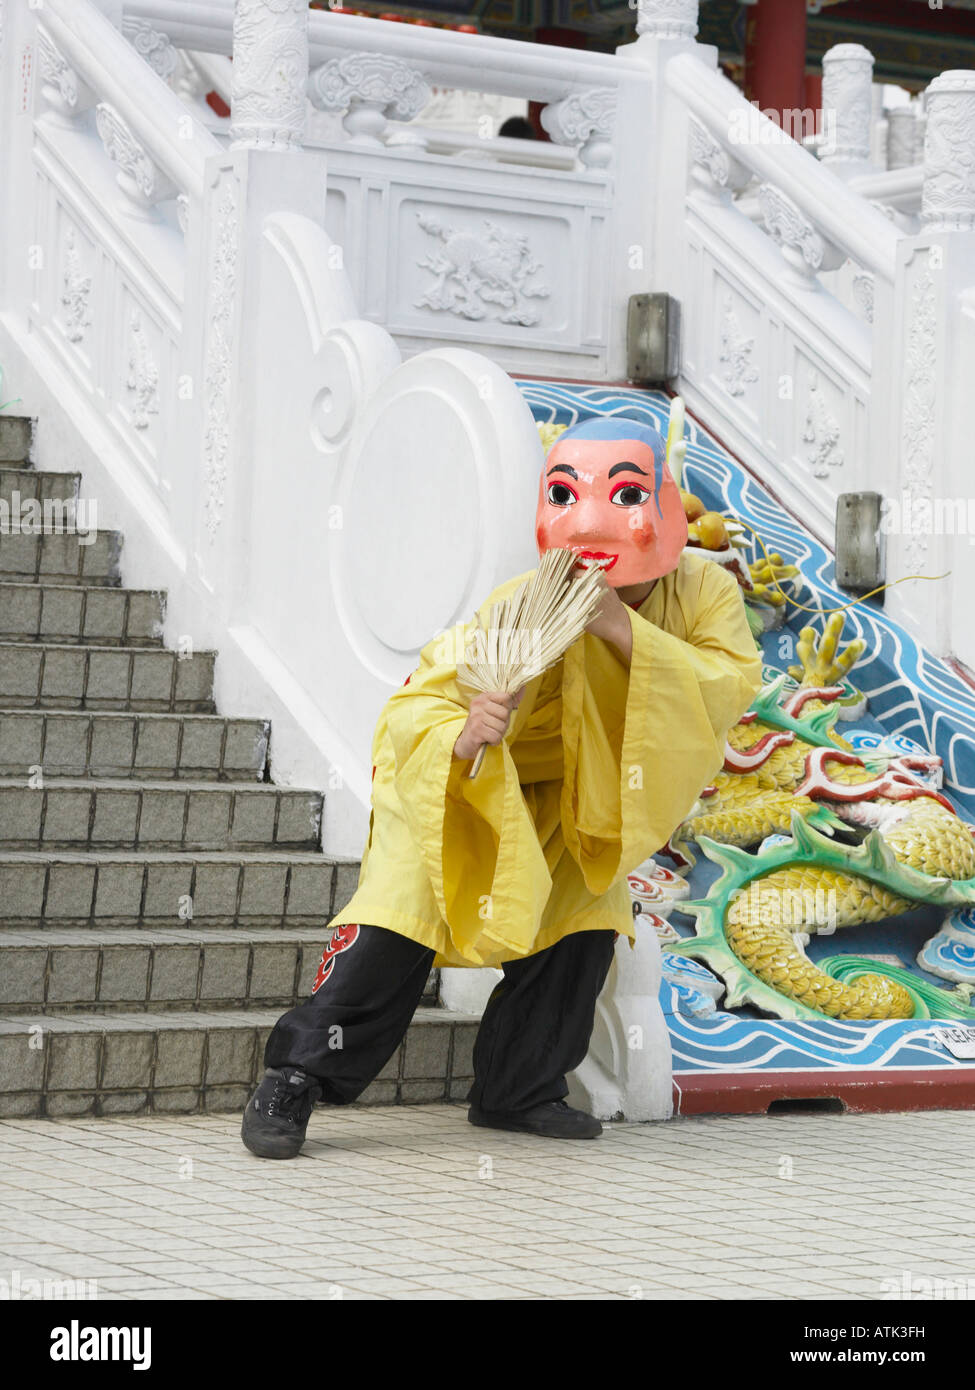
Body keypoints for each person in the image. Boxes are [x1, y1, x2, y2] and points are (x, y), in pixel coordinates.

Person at [241, 416, 762, 1158]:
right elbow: (422, 699)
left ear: (663, 509)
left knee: (578, 930)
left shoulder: (703, 589)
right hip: (476, 787)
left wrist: (620, 629)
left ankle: (518, 1090)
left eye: (625, 496)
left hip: (585, 798)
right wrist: (464, 731)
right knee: (398, 925)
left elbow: (728, 685)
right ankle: (294, 1079)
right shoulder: (529, 600)